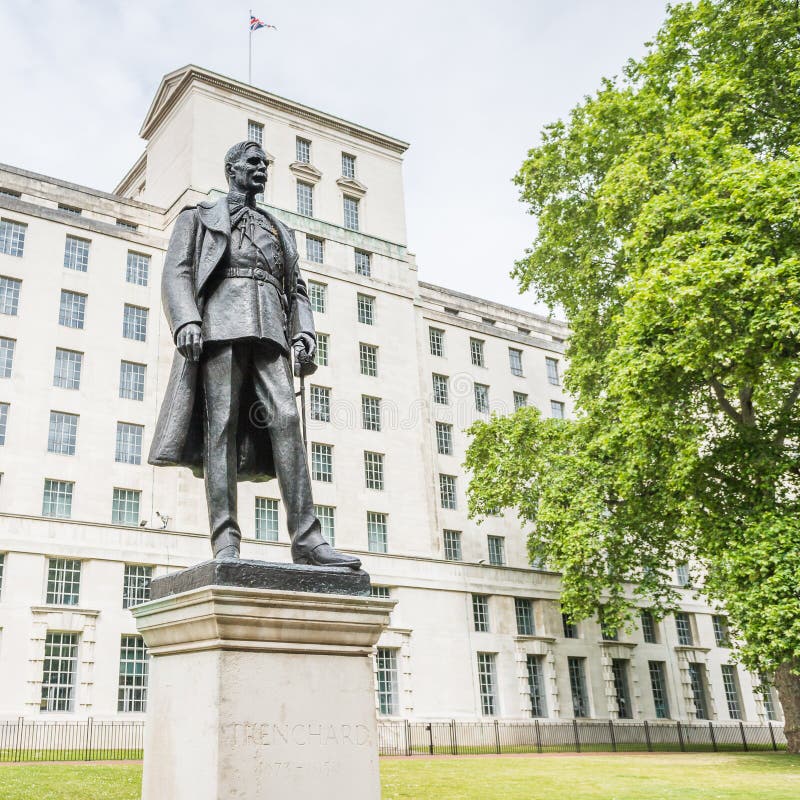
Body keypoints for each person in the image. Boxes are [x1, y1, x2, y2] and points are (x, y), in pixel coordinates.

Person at [148, 140, 360, 569]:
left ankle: (308, 540)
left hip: (271, 331)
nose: (261, 168)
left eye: (265, 163)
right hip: (219, 327)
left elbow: (296, 289)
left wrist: (303, 333)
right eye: (253, 162)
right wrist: (186, 320)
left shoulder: (280, 229)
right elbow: (178, 272)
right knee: (220, 428)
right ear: (231, 168)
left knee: (287, 420)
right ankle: (225, 541)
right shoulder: (198, 216)